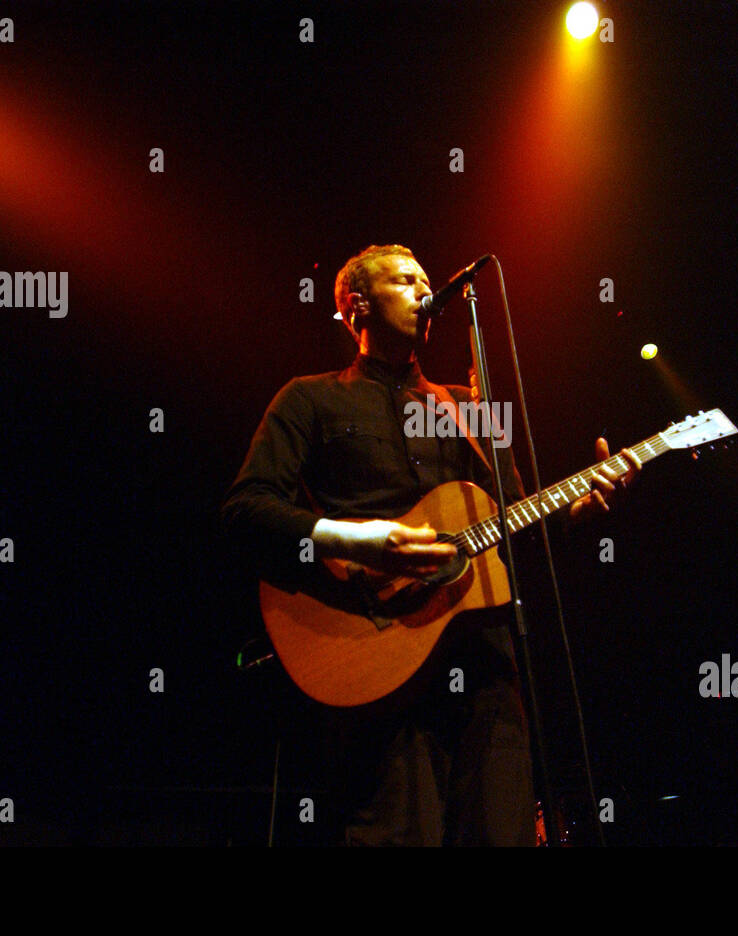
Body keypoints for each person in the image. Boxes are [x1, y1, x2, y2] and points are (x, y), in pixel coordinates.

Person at [221, 244, 638, 845]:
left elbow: (520, 534)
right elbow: (245, 512)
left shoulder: (472, 409)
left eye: (426, 280)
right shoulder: (310, 399)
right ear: (358, 305)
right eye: (405, 280)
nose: (425, 291)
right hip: (375, 666)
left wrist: (578, 509)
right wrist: (359, 541)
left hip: (487, 673)